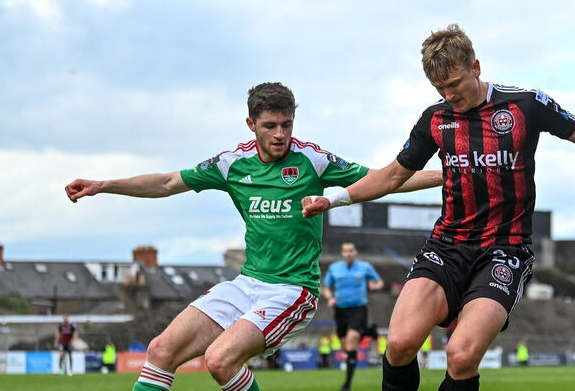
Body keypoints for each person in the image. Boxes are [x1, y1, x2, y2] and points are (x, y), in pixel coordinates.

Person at [302, 23, 575, 391]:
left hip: (504, 250)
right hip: (447, 245)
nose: (449, 94)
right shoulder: (435, 119)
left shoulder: (525, 104)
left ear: (475, 67)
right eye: (440, 88)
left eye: (455, 83)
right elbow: (394, 174)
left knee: (460, 356)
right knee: (398, 345)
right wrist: (334, 198)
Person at [65, 82, 441, 391]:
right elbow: (166, 182)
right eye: (270, 126)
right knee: (160, 349)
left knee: (219, 359)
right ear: (251, 124)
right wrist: (105, 185)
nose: (280, 135)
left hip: (292, 290)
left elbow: (386, 178)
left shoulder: (313, 160)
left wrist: (448, 173)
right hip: (247, 282)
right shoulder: (231, 164)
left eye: (287, 124)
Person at [323, 242, 384, 391]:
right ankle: (369, 331)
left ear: (355, 252)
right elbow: (326, 288)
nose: (348, 253)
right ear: (342, 253)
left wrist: (375, 286)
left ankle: (347, 384)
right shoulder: (334, 268)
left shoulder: (365, 267)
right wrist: (330, 297)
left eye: (351, 251)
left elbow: (380, 282)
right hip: (340, 311)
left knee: (351, 344)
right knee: (345, 348)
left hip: (358, 309)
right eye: (345, 251)